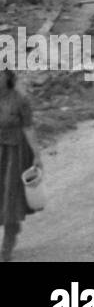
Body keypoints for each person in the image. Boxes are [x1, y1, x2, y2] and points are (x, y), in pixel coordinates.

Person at [0, 69, 43, 261]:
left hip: (15, 152)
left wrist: (36, 155)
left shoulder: (20, 100)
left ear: (8, 77)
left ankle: (8, 241)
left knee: (10, 195)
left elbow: (28, 127)